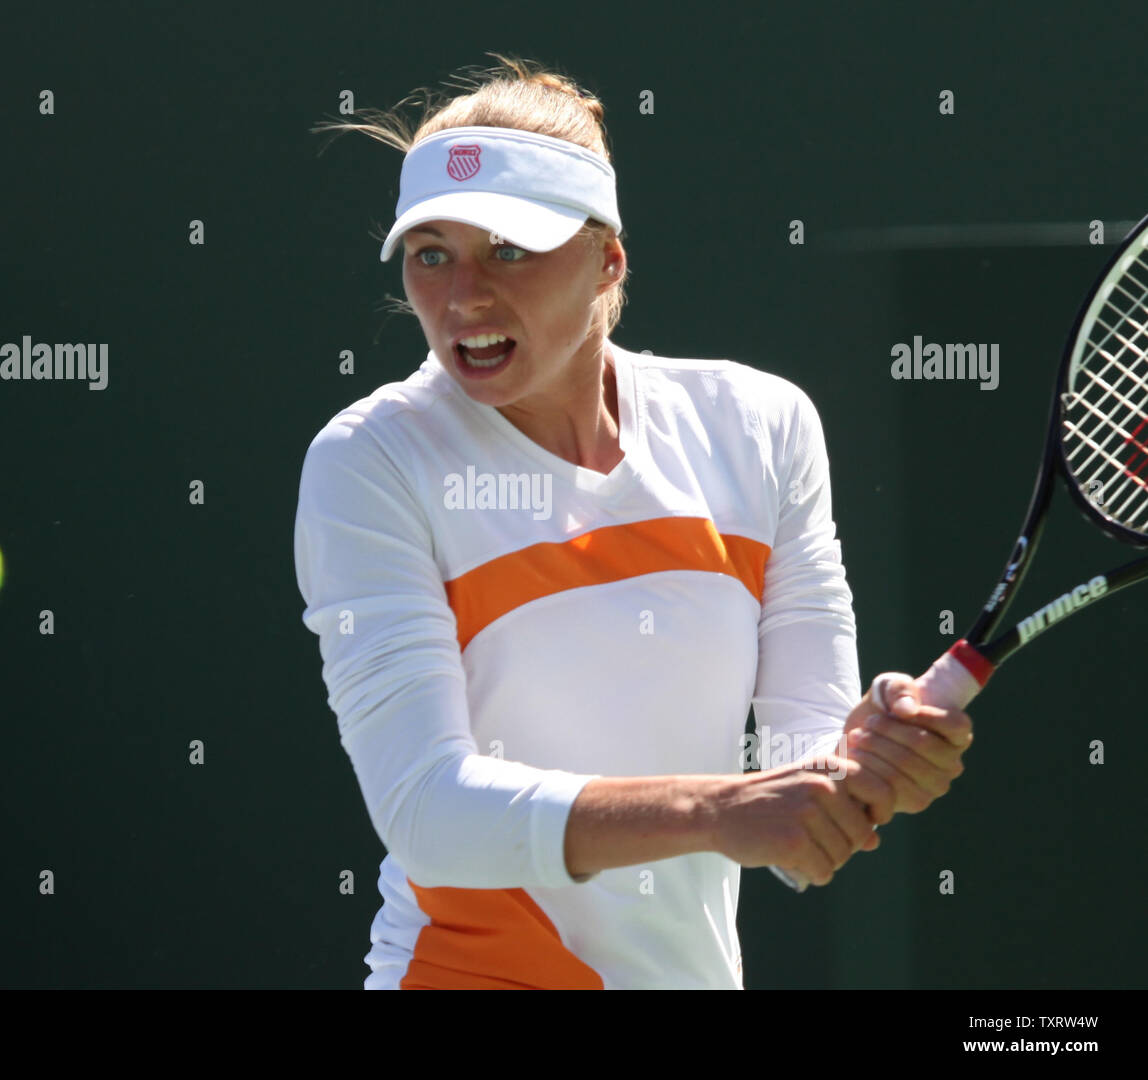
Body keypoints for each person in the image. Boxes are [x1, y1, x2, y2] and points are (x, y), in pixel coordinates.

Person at [295, 55, 973, 990]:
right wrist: (713, 810)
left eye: (510, 249)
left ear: (608, 258)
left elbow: (794, 795)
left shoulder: (760, 429)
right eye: (432, 254)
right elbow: (426, 810)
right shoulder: (370, 461)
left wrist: (863, 766)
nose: (462, 298)